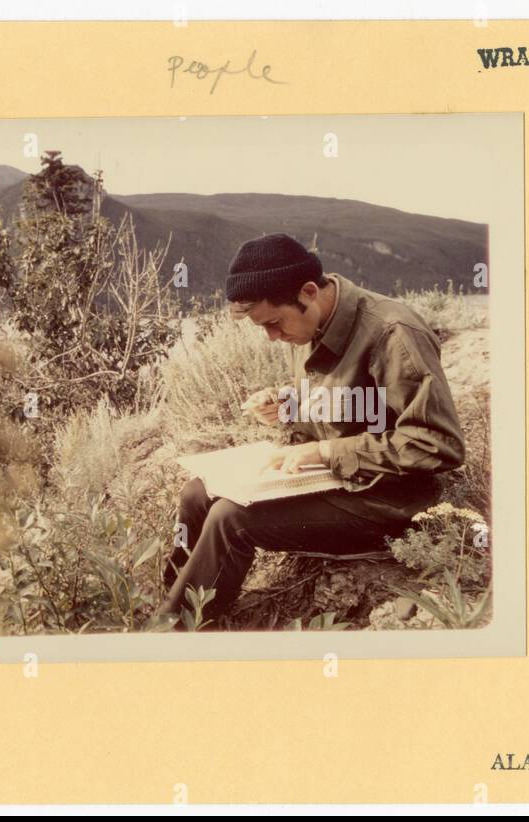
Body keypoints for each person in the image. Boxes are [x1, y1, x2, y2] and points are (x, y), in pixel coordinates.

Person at [158, 233, 466, 628]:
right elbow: (347, 404)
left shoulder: (394, 332)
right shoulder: (310, 319)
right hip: (340, 481)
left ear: (308, 291)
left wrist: (322, 454)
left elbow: (438, 444)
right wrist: (287, 405)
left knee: (230, 518)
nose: (271, 337)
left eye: (274, 323)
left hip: (391, 500)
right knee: (198, 492)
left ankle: (178, 634)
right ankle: (170, 603)